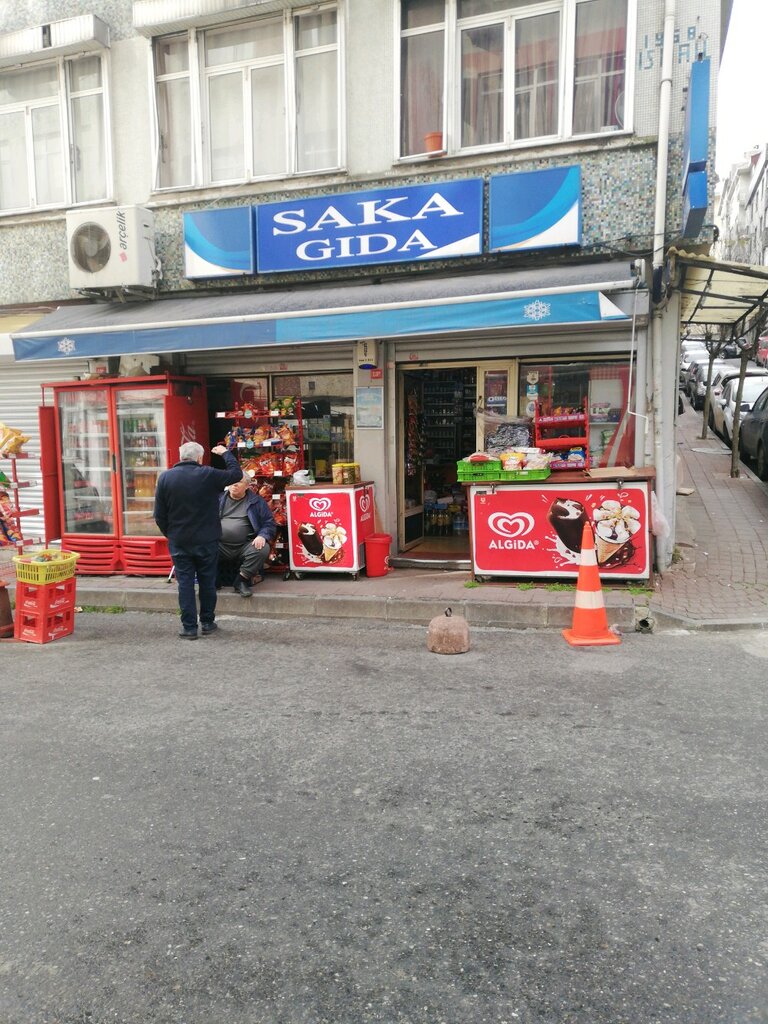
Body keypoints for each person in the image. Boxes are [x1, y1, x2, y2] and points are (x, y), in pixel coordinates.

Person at [154, 441, 242, 639]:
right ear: (200, 458)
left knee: (185, 584)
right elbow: (236, 474)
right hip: (207, 539)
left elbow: (159, 515)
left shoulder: (166, 477)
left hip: (179, 540)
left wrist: (171, 533)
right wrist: (225, 453)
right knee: (207, 582)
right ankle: (208, 622)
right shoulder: (208, 474)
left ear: (180, 456)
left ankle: (189, 627)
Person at [218, 473, 277, 597]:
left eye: (239, 482)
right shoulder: (218, 499)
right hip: (220, 544)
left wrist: (262, 535)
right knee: (200, 546)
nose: (234, 484)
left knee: (262, 548)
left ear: (247, 486)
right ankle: (212, 580)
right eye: (232, 481)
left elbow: (269, 523)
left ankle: (241, 580)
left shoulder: (256, 502)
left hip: (244, 545)